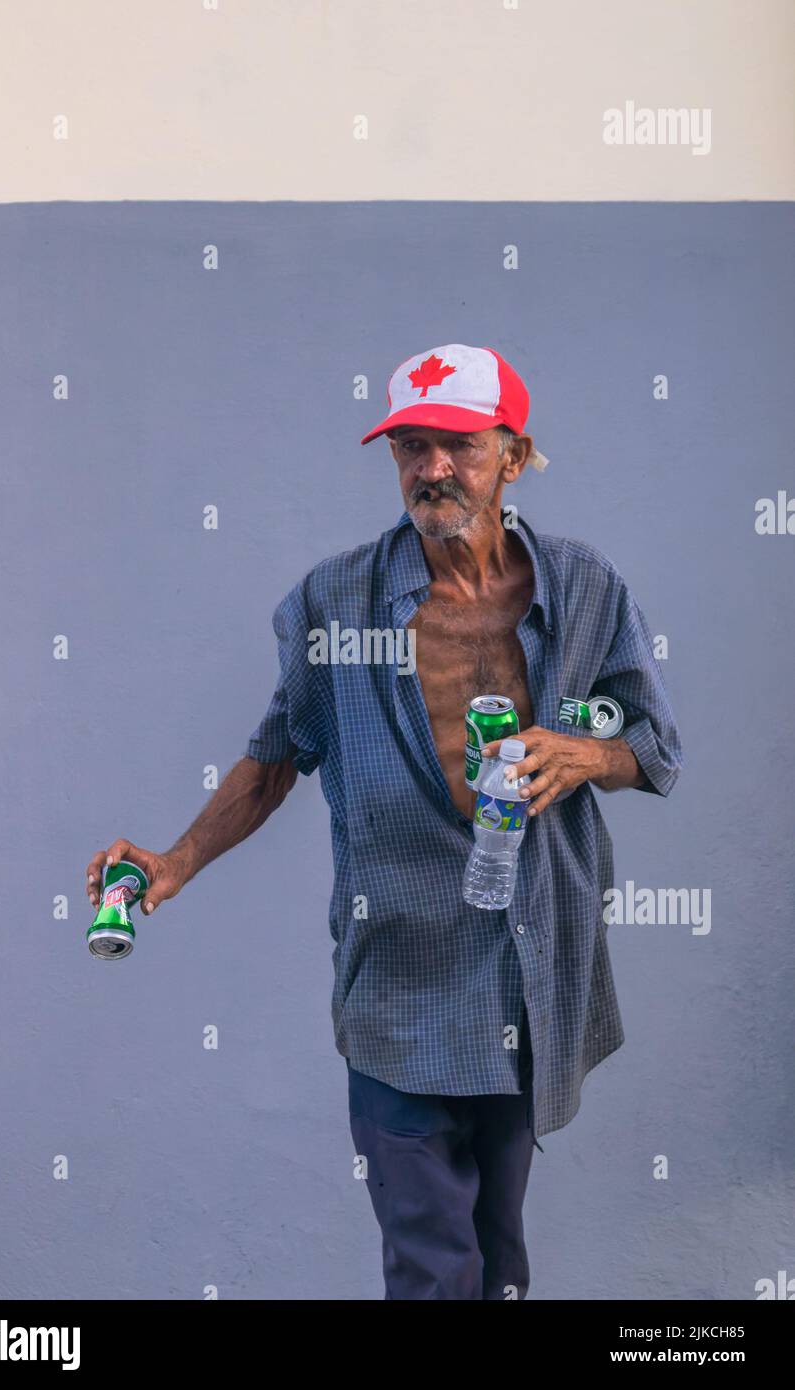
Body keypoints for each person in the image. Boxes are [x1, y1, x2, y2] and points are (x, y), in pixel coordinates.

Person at [85, 342, 683, 1300]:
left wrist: (586, 754)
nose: (431, 467)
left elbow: (654, 745)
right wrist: (174, 863)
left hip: (530, 975)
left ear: (516, 456)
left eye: (458, 443)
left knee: (500, 1254)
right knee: (430, 1262)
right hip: (401, 980)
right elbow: (278, 750)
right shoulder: (338, 600)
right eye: (409, 445)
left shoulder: (583, 587)